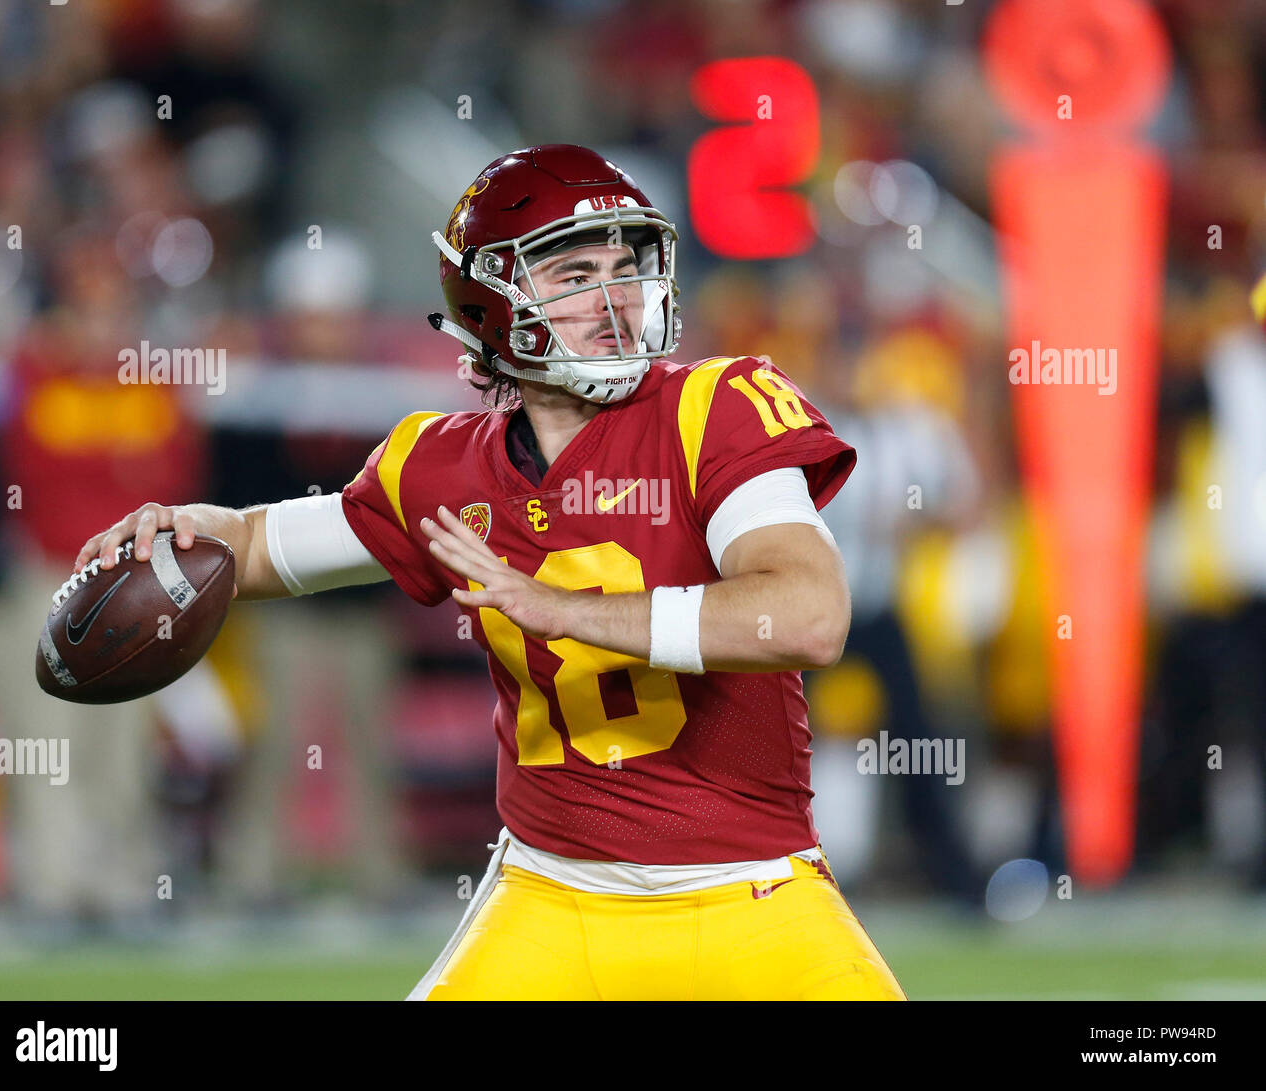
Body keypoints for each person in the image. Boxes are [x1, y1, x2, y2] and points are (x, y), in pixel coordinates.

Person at [74, 144, 906, 1000]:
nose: (614, 296)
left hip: (754, 891)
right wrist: (186, 530)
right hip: (552, 895)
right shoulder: (441, 466)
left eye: (627, 266)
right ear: (492, 299)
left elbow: (808, 615)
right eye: (577, 272)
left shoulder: (718, 406)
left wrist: (565, 607)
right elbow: (260, 548)